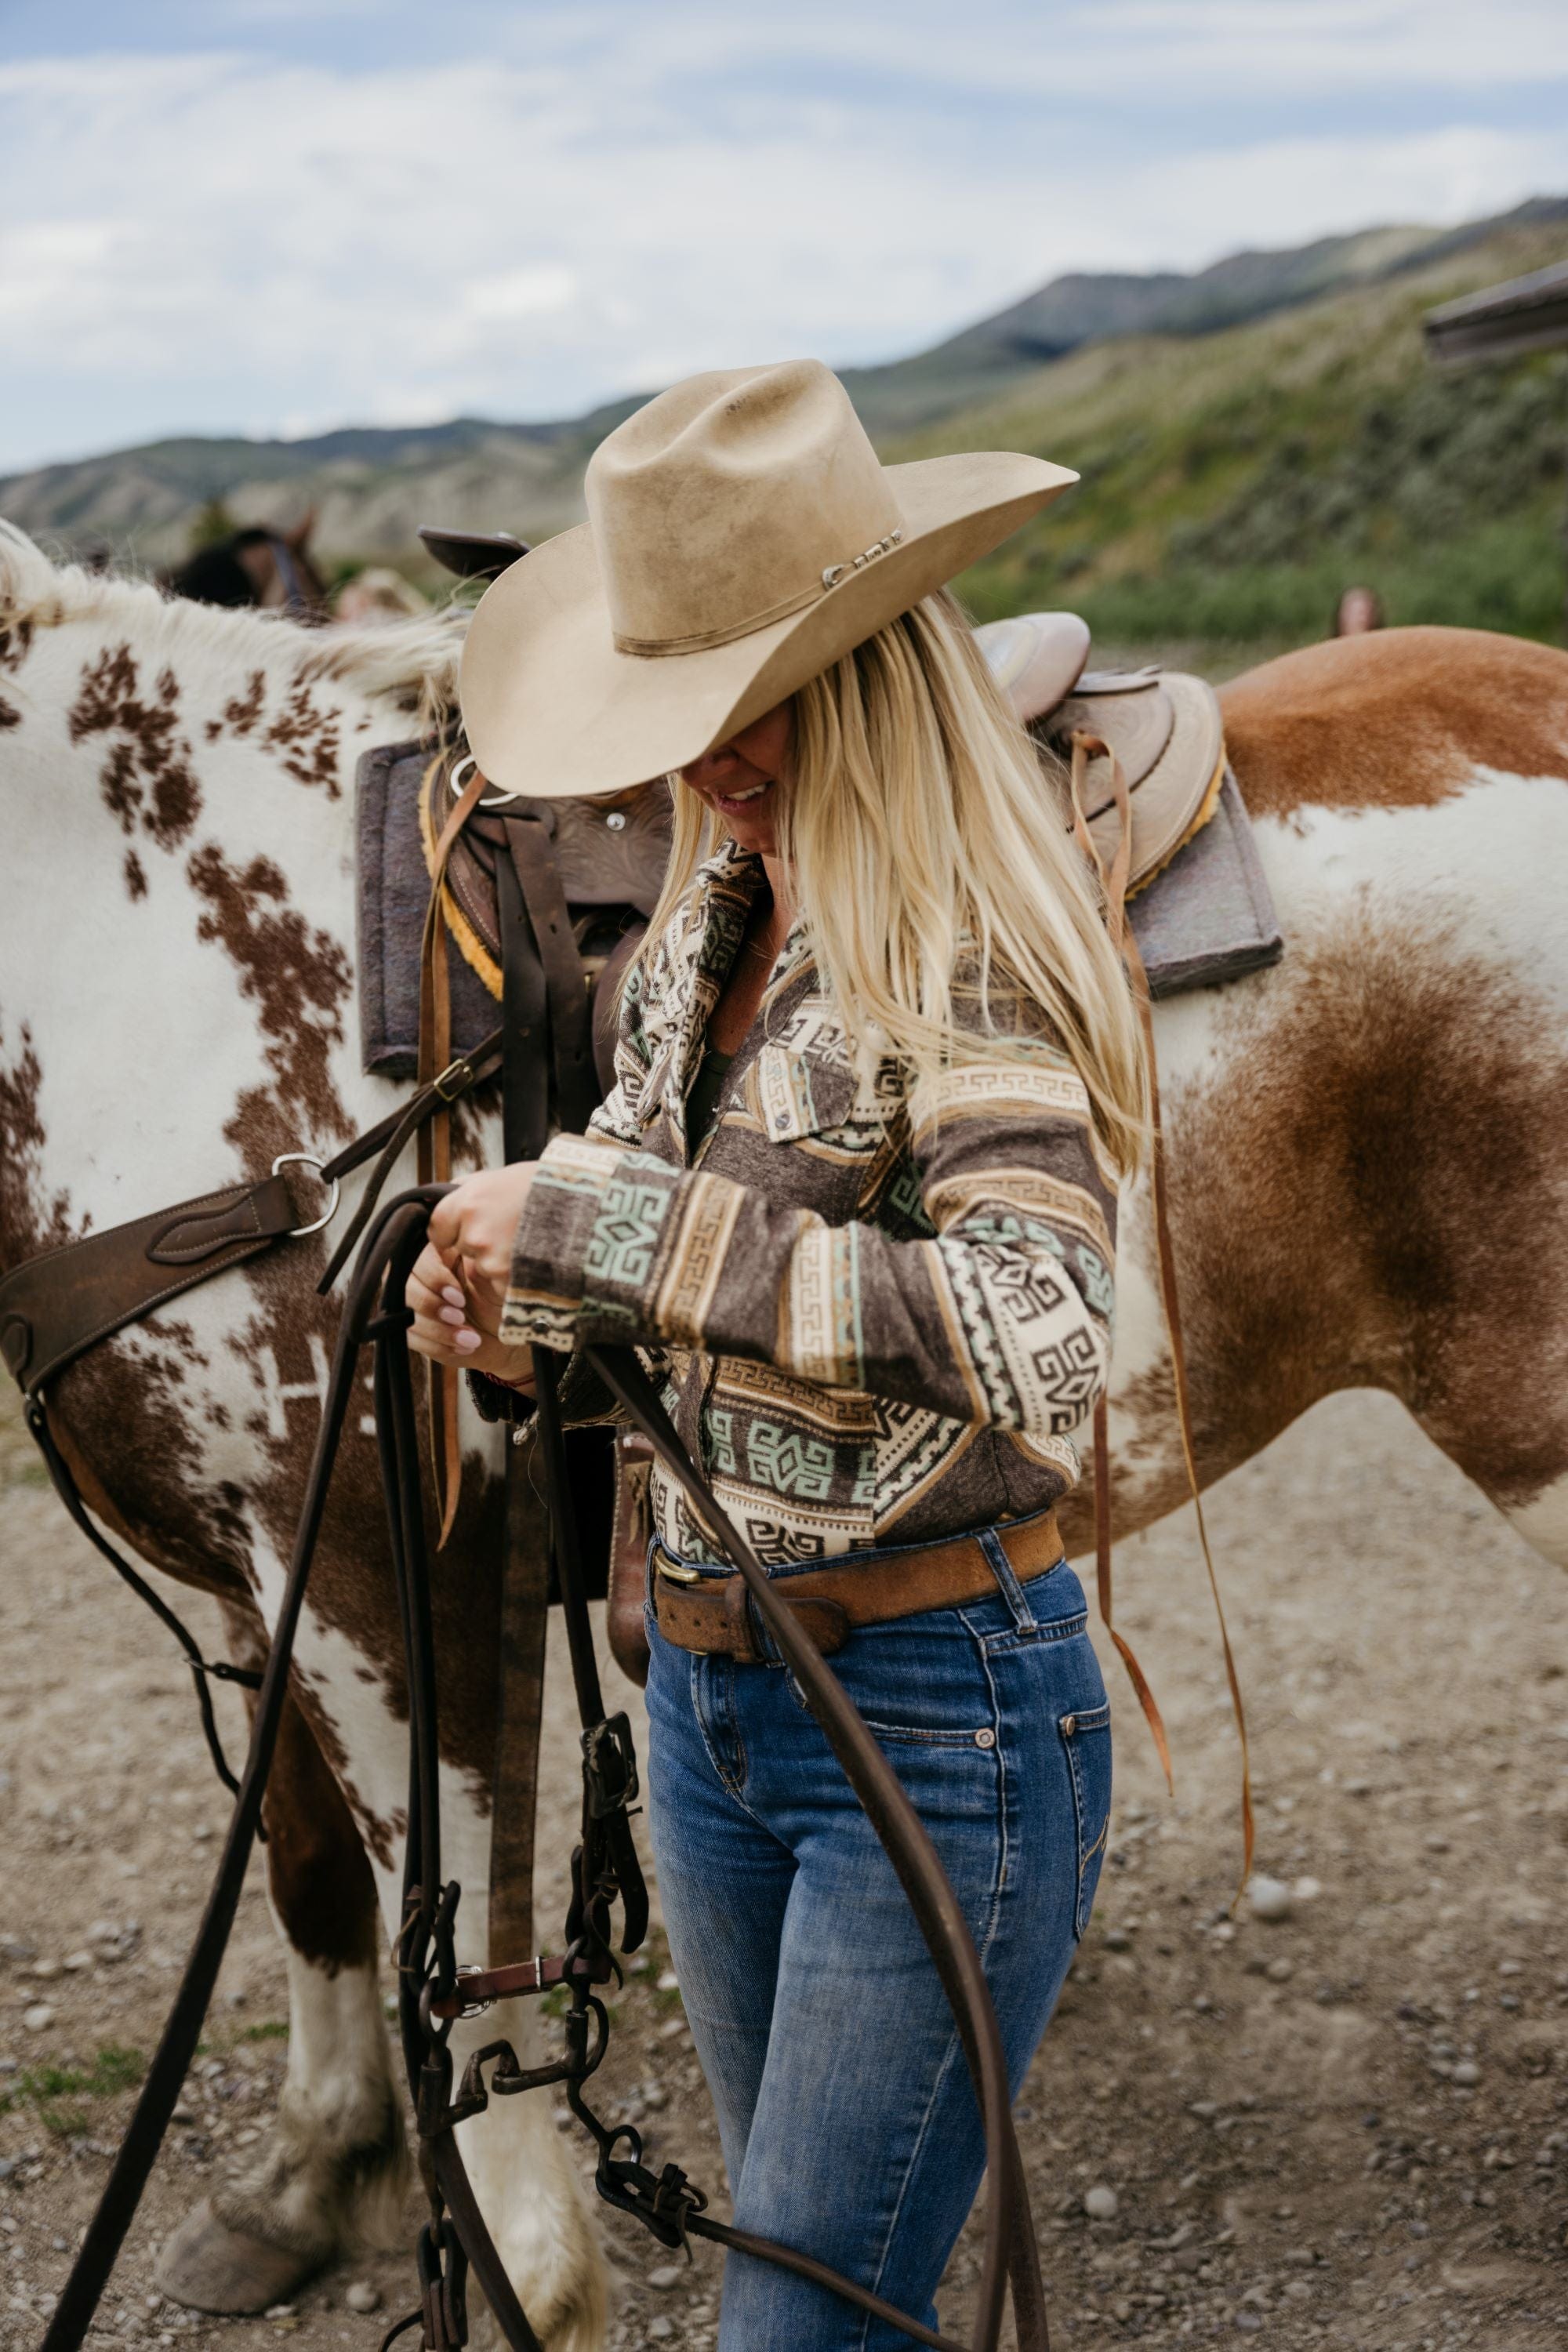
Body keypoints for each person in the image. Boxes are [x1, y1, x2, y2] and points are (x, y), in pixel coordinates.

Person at [406, 359, 1147, 2348]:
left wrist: (603, 1223)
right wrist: (512, 1315)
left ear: (877, 672)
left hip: (939, 1706)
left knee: (800, 2321)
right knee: (818, 2278)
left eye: (763, 709)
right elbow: (651, 1297)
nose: (717, 764)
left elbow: (1041, 1332)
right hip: (717, 1710)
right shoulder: (705, 938)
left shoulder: (965, 943)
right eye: (684, 724)